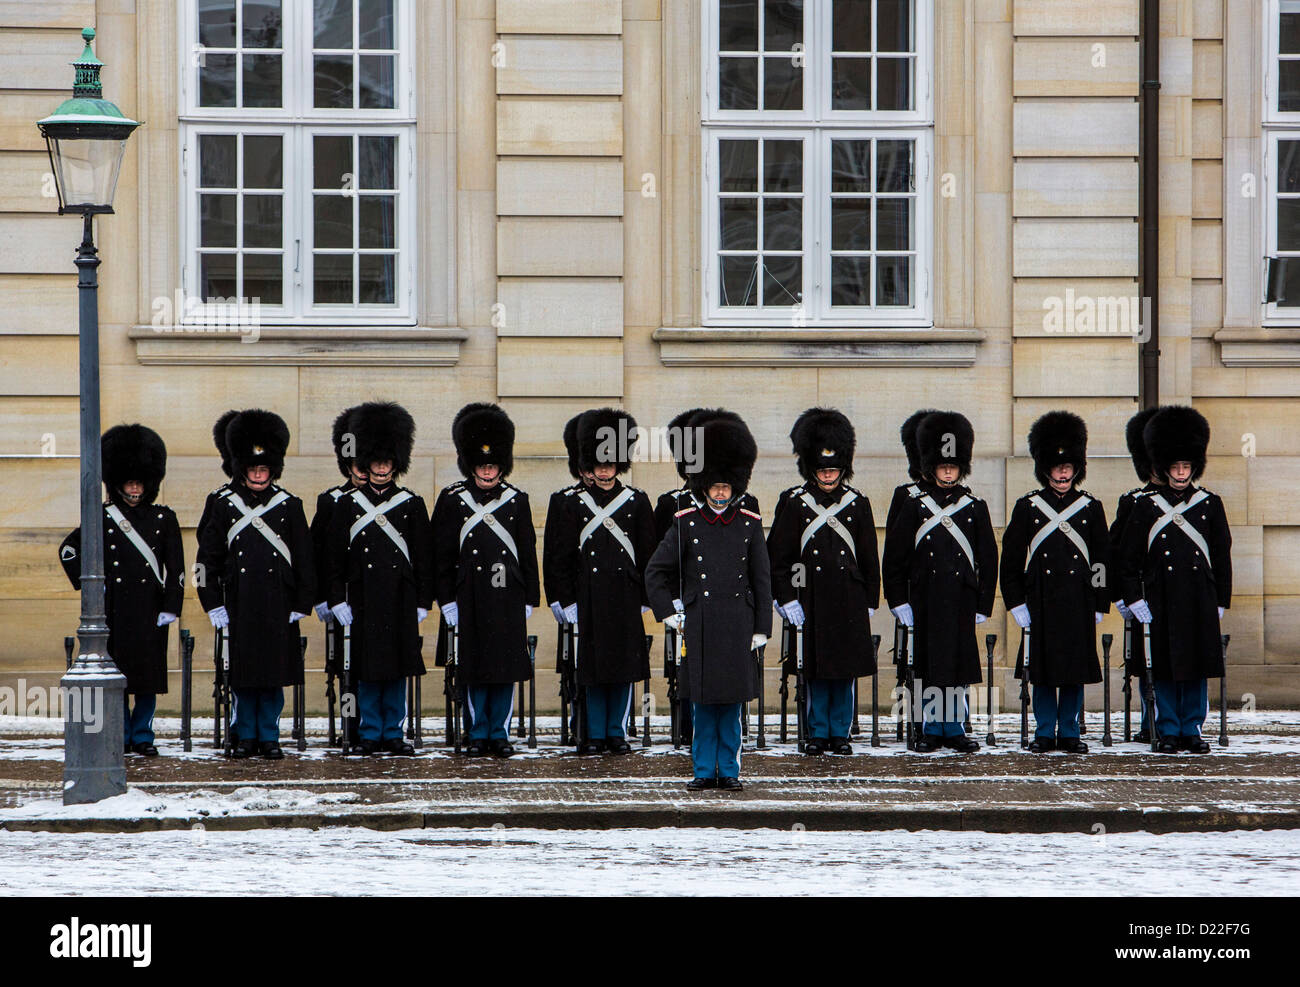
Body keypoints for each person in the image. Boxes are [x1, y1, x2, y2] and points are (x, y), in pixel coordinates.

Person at [646, 413, 772, 791]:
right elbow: (656, 570)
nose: (720, 493)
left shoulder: (749, 523)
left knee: (732, 706)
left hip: (737, 623)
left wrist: (762, 627)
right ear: (705, 487)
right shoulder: (685, 522)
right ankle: (703, 770)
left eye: (726, 487)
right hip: (699, 623)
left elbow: (761, 580)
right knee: (701, 704)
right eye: (715, 487)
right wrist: (669, 612)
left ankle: (729, 771)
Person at [59, 424, 184, 757]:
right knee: (116, 678)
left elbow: (177, 567)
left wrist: (171, 605)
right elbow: (69, 551)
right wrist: (89, 590)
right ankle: (118, 733)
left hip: (148, 610)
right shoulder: (101, 517)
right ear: (117, 483)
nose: (134, 488)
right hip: (111, 609)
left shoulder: (163, 518)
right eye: (129, 481)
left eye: (139, 482)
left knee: (145, 681)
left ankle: (142, 734)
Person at [196, 409, 314, 759]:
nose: (259, 474)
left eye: (264, 469)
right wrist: (212, 602)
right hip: (239, 603)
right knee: (243, 677)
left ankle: (269, 734)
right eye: (253, 468)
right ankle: (244, 733)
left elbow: (305, 559)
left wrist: (301, 603)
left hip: (278, 603)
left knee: (273, 676)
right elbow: (207, 559)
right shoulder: (221, 504)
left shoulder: (289, 505)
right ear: (242, 469)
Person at [882, 411, 997, 752]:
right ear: (932, 467)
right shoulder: (915, 504)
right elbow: (896, 556)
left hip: (961, 597)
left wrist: (983, 602)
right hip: (926, 598)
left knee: (958, 666)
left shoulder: (974, 505)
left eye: (954, 467)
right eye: (943, 467)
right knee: (930, 667)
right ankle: (932, 727)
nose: (948, 471)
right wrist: (898, 599)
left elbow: (988, 558)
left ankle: (954, 728)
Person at [1119, 406, 1232, 754]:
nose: (1181, 472)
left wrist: (1220, 600)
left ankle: (1192, 728)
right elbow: (1128, 556)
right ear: (1165, 467)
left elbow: (1221, 554)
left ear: (1193, 467)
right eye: (1176, 466)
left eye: (1186, 466)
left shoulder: (1209, 504)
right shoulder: (1145, 505)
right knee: (1165, 666)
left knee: (1196, 668)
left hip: (1198, 596)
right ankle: (1168, 727)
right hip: (1160, 598)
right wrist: (1134, 597)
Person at [767, 408, 879, 755]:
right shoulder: (794, 502)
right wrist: (786, 598)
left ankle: (839, 732)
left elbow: (868, 555)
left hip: (847, 599)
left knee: (843, 673)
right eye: (822, 469)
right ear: (811, 469)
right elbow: (779, 558)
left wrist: (871, 600)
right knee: (814, 670)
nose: (828, 475)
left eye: (833, 469)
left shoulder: (857, 503)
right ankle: (817, 731)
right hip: (810, 600)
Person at [431, 403, 539, 757]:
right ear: (471, 465)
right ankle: (478, 731)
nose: (488, 469)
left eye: (493, 464)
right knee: (474, 669)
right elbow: (442, 556)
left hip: (507, 598)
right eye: (482, 464)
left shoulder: (517, 500)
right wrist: (446, 599)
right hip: (470, 598)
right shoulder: (452, 500)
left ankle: (500, 731)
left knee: (504, 668)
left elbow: (527, 551)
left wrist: (530, 598)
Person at [1000, 412, 1110, 753]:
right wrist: (1016, 602)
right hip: (1041, 601)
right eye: (1057, 467)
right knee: (1043, 673)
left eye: (1068, 467)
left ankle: (1070, 732)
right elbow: (1012, 559)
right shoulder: (1027, 507)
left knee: (1073, 673)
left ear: (1076, 469)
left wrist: (1099, 601)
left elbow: (1101, 560)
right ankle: (1045, 731)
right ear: (1045, 469)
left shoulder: (1091, 507)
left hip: (1078, 601)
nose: (1063, 473)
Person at [327, 402, 433, 756]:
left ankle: (393, 730)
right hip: (363, 599)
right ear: (367, 462)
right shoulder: (347, 504)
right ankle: (370, 730)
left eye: (388, 460)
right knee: (369, 671)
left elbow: (423, 558)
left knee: (397, 670)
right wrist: (337, 598)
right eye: (377, 460)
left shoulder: (410, 504)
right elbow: (335, 558)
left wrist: (422, 601)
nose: (383, 465)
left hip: (400, 599)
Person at [550, 408, 656, 754]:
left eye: (611, 461)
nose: (606, 468)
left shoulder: (637, 502)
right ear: (588, 465)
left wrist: (645, 597)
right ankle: (594, 732)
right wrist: (564, 600)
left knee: (623, 668)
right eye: (599, 462)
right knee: (591, 670)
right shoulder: (567, 502)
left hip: (624, 597)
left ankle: (616, 731)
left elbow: (648, 554)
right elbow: (557, 557)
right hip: (587, 598)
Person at [310, 406, 365, 744]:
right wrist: (323, 598)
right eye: (356, 465)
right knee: (346, 673)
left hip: (373, 602)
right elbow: (317, 554)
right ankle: (350, 726)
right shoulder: (331, 500)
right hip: (341, 601)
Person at [1110, 406, 1162, 743]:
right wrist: (1122, 595)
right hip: (1145, 595)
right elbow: (1116, 552)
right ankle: (1150, 719)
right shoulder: (1133, 502)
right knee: (1146, 664)